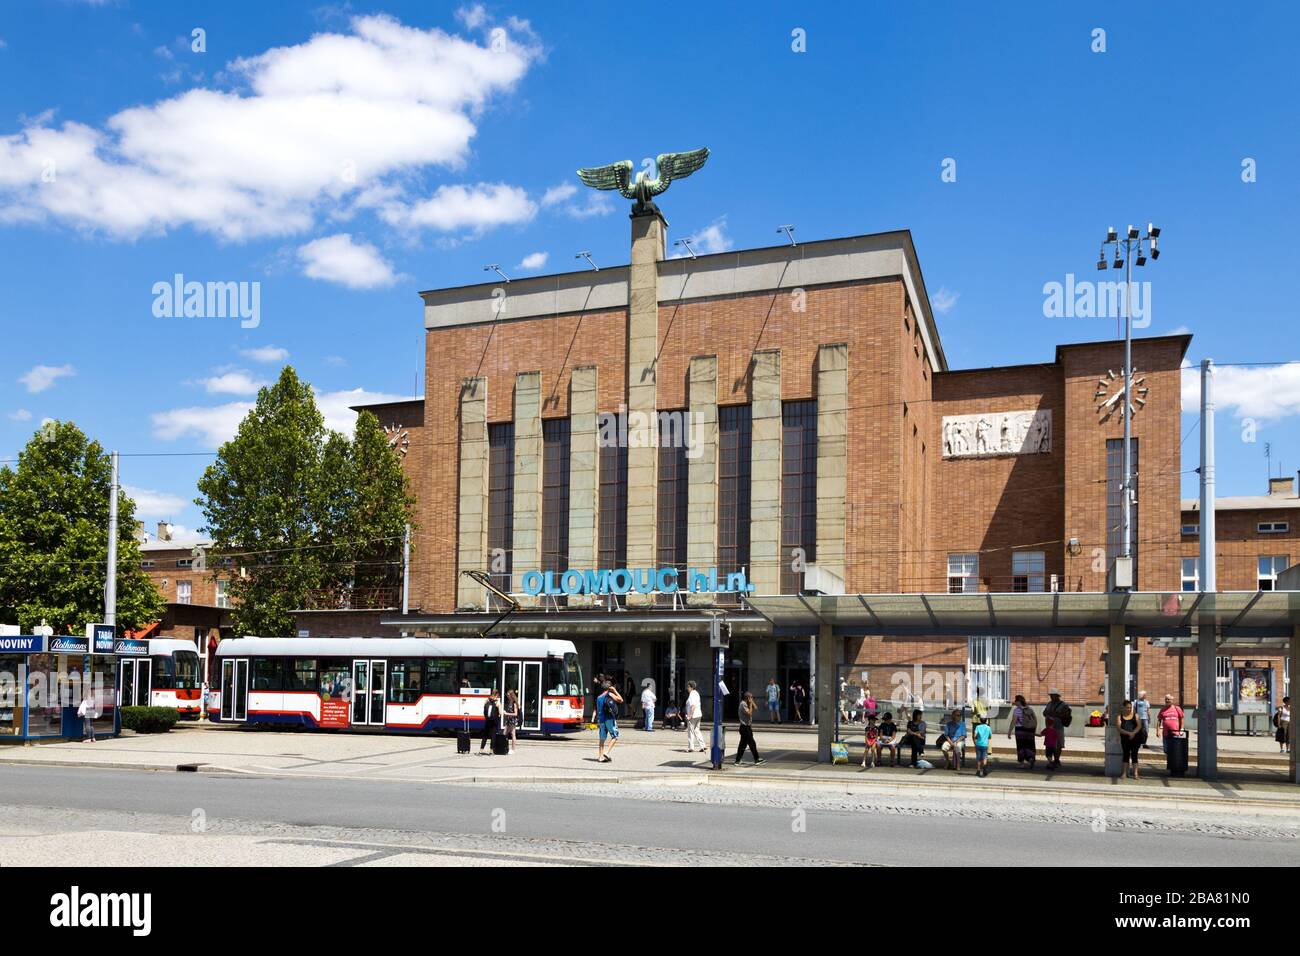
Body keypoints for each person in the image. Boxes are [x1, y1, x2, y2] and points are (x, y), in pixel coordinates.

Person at [1042, 689, 1071, 769]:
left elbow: (1066, 715)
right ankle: (1051, 761)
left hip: (1058, 727)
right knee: (1050, 745)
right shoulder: (1049, 704)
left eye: (1053, 695)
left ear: (1057, 696)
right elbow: (1044, 713)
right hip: (1050, 728)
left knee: (1058, 745)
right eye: (1050, 695)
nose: (1051, 697)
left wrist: (1054, 714)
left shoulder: (1064, 705)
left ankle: (1057, 760)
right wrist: (1047, 714)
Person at [1007, 694, 1037, 769]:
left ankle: (1022, 763)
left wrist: (1009, 731)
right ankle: (1031, 759)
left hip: (1020, 730)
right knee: (1030, 745)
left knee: (1021, 746)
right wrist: (1034, 729)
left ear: (1019, 701)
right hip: (1030, 730)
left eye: (1016, 701)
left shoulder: (1017, 710)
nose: (1015, 702)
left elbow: (1014, 721)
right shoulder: (1030, 709)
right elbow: (1035, 719)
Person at [595, 682, 623, 762]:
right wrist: (615, 691)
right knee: (615, 736)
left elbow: (598, 709)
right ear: (609, 688)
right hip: (609, 718)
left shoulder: (599, 697)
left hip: (601, 720)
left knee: (602, 738)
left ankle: (600, 757)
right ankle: (607, 752)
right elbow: (621, 700)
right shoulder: (610, 695)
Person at [735, 691, 764, 765]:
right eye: (751, 697)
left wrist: (752, 702)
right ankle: (756, 759)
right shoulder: (743, 704)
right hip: (744, 728)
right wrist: (750, 703)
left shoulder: (747, 703)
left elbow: (756, 708)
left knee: (743, 745)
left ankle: (737, 761)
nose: (752, 698)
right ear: (747, 698)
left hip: (747, 727)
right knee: (752, 744)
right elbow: (749, 713)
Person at [1117, 698, 1142, 780]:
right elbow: (1119, 728)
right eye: (1127, 707)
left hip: (1135, 738)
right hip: (1125, 738)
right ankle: (1124, 773)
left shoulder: (1136, 715)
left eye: (1130, 707)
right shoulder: (1120, 716)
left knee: (1135, 755)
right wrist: (1128, 733)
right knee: (1126, 755)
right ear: (1123, 707)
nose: (1129, 709)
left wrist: (1133, 733)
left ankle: (1135, 773)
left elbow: (1139, 726)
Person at [1156, 693, 1184, 759]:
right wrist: (1158, 731)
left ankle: (1174, 764)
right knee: (1166, 750)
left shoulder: (1177, 708)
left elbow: (1181, 718)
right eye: (1166, 699)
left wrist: (1182, 729)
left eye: (1169, 699)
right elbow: (1159, 721)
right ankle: (1170, 762)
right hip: (1166, 734)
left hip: (1175, 733)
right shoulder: (1162, 709)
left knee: (1175, 749)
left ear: (1172, 700)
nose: (1167, 700)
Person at [684, 680, 705, 752]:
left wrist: (690, 715)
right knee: (697, 730)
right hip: (698, 714)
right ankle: (703, 746)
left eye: (688, 687)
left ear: (691, 687)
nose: (687, 688)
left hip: (693, 715)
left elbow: (693, 706)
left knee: (691, 731)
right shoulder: (696, 693)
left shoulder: (692, 694)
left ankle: (691, 747)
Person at [502, 689, 519, 754]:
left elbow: (515, 714)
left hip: (512, 720)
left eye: (508, 695)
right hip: (509, 720)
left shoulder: (514, 703)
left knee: (512, 734)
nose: (507, 696)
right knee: (505, 733)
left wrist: (506, 713)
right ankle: (504, 747)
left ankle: (513, 749)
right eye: (507, 695)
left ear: (511, 695)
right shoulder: (510, 702)